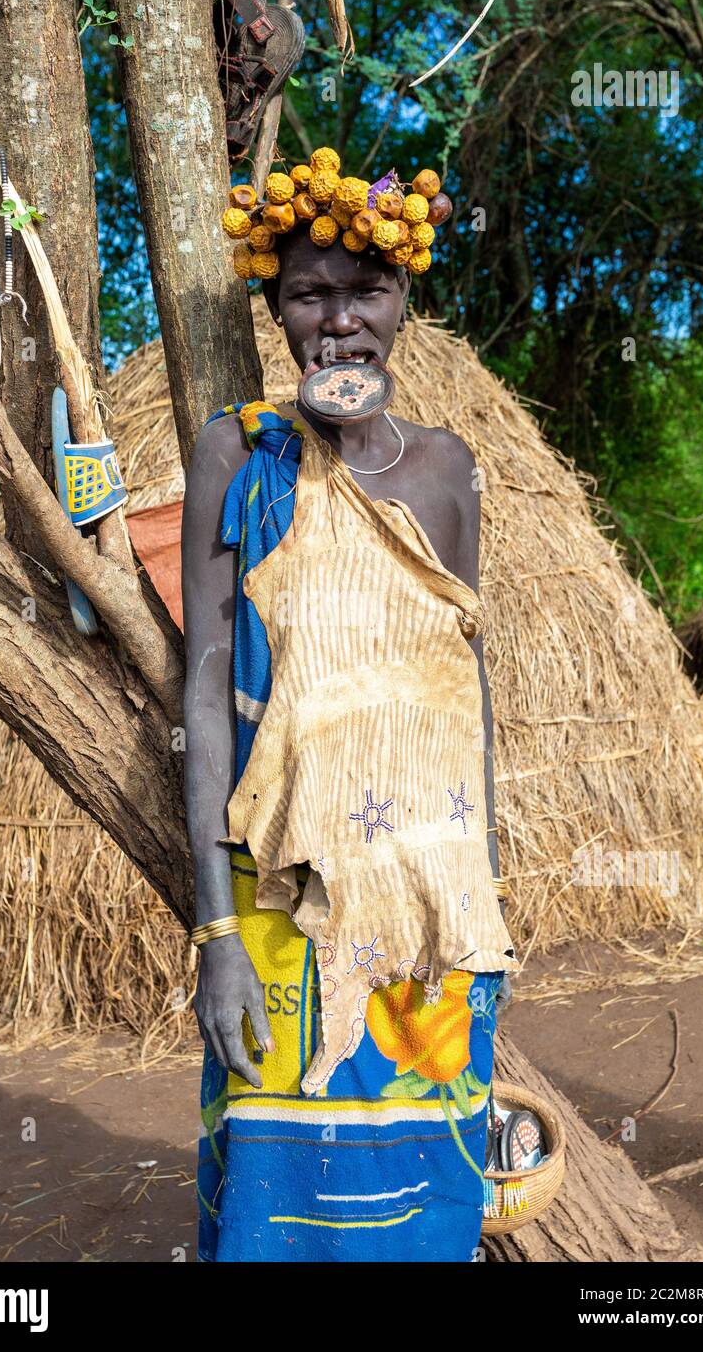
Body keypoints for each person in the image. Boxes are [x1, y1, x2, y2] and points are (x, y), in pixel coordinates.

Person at [182, 155, 518, 1262]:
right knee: (273, 1182)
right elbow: (205, 685)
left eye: (363, 291)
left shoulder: (444, 470)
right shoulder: (235, 453)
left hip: (423, 885)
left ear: (404, 301)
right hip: (278, 885)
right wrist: (218, 937)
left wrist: (480, 896)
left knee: (422, 1175)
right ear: (275, 309)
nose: (338, 323)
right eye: (308, 294)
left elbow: (455, 685)